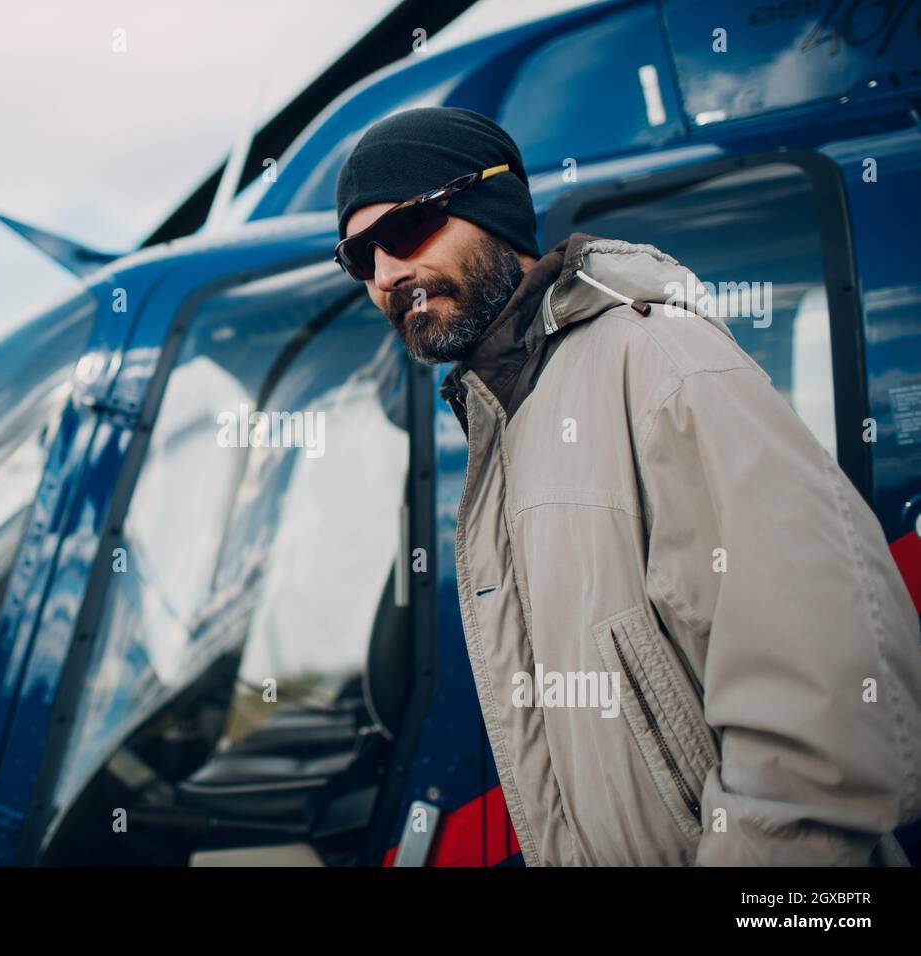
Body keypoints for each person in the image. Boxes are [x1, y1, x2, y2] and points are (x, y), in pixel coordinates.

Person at [334, 105, 921, 866]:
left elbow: (827, 728)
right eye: (359, 257)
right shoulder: (509, 418)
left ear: (492, 208)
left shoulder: (661, 365)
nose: (386, 275)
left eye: (405, 232)